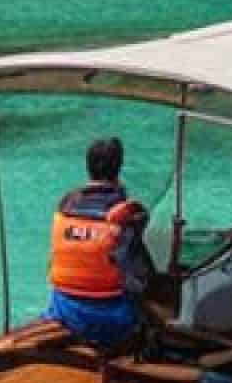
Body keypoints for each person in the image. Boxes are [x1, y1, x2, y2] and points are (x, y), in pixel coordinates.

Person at [46, 135, 153, 348]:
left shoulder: (64, 208)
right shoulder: (125, 216)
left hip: (62, 309)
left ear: (88, 167)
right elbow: (139, 276)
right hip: (111, 319)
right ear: (119, 167)